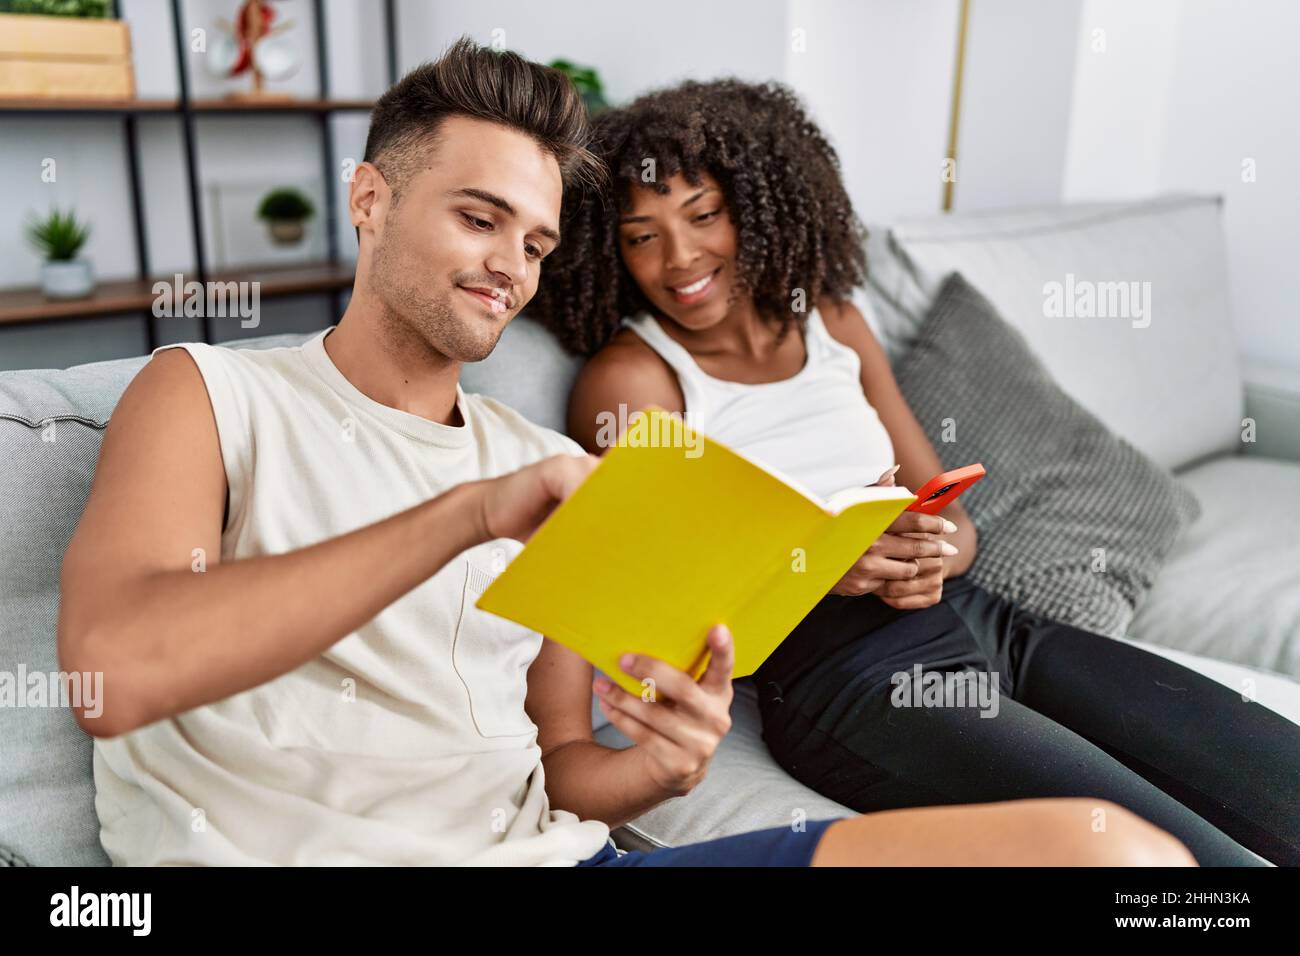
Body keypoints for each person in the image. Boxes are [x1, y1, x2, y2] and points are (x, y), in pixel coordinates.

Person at [58, 40, 1189, 868]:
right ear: (370, 198)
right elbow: (116, 673)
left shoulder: (541, 458)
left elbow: (562, 761)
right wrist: (468, 513)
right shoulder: (211, 393)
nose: (511, 263)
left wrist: (667, 760)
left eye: (537, 241)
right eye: (477, 216)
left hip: (575, 861)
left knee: (1111, 853)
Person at [533, 78, 1300, 867]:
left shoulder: (831, 321)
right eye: (642, 235)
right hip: (853, 676)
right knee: (1193, 857)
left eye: (703, 215)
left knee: (1280, 779)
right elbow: (654, 597)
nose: (680, 258)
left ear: (756, 206)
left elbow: (952, 520)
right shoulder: (633, 381)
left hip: (981, 615)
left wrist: (934, 550)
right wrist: (818, 568)